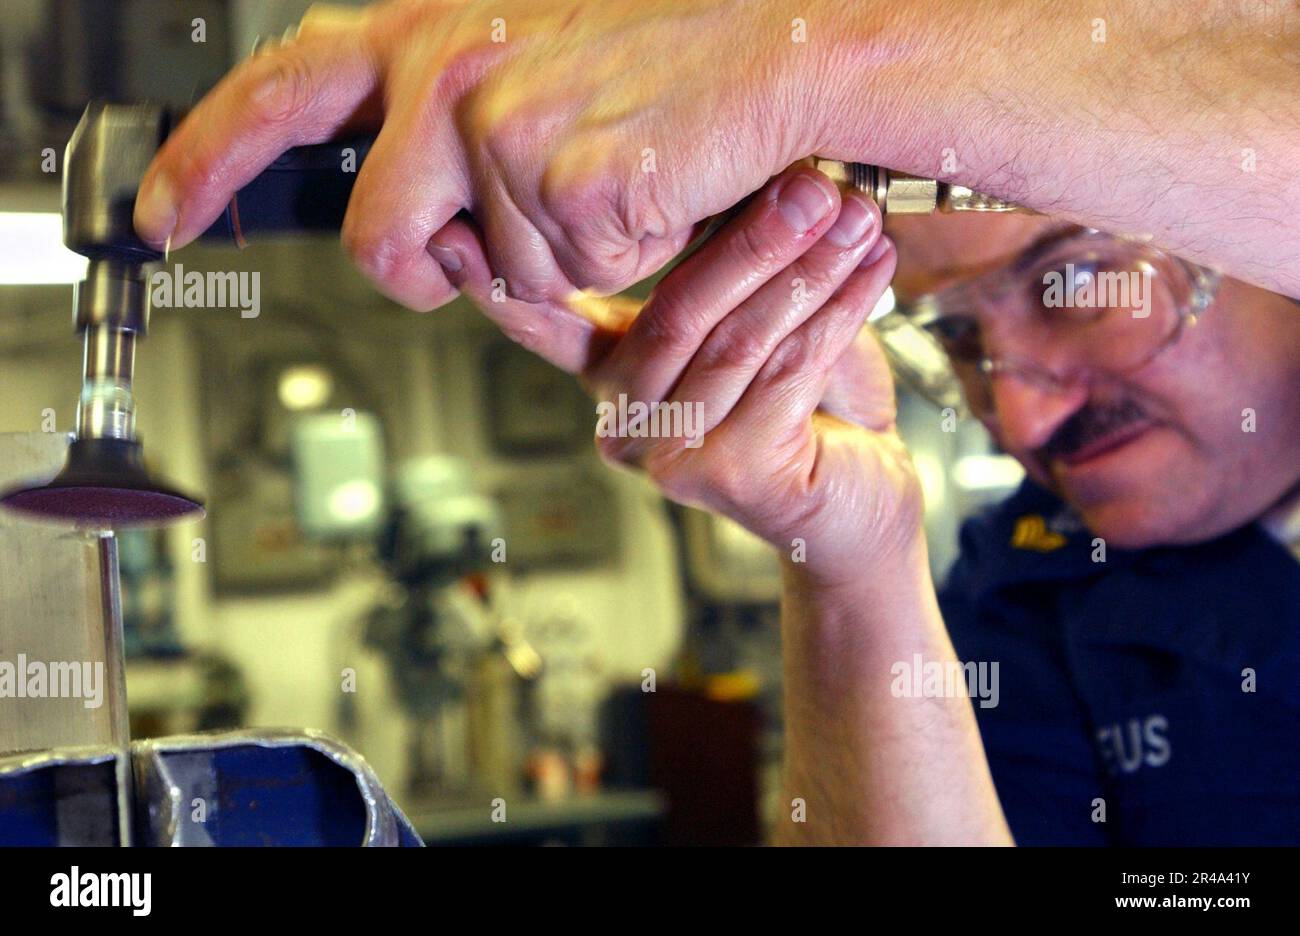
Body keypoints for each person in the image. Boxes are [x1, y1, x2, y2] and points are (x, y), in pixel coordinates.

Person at [135, 0, 1300, 843]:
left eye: (1066, 285)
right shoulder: (1031, 608)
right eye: (952, 338)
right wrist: (853, 569)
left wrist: (819, 51)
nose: (1020, 412)